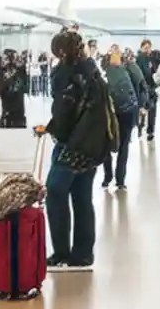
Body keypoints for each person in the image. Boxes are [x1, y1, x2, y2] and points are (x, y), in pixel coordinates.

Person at [45, 30, 104, 272]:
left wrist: (55, 128)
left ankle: (61, 252)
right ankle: (82, 254)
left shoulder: (67, 73)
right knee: (81, 196)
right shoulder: (92, 69)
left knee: (55, 190)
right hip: (92, 144)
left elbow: (64, 111)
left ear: (61, 51)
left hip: (72, 144)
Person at [100, 44, 148, 190]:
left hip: (119, 112)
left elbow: (140, 84)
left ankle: (114, 177)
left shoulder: (122, 69)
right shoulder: (119, 70)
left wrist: (142, 105)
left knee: (114, 144)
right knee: (117, 145)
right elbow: (141, 84)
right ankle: (115, 178)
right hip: (120, 111)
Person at [138, 39, 159, 141]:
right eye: (145, 48)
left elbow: (155, 72)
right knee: (143, 110)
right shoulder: (139, 59)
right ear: (141, 48)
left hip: (152, 88)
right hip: (143, 88)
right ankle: (140, 126)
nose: (147, 50)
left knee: (153, 111)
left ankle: (150, 131)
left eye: (149, 48)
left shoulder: (152, 59)